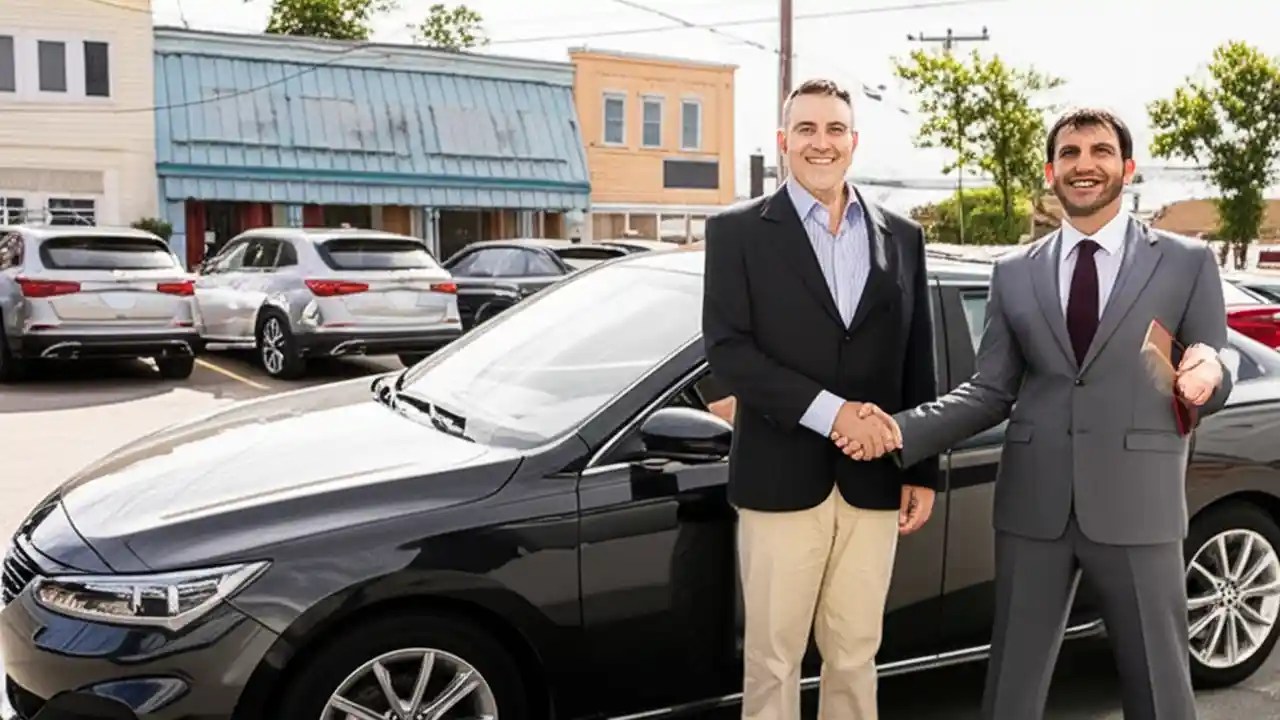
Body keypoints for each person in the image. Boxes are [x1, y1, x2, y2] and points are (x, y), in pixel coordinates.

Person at [837, 107, 1231, 720]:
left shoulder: (1185, 261)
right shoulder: (1014, 271)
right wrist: (897, 430)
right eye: (1070, 154)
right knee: (1012, 689)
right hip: (1033, 507)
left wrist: (1210, 372)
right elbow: (990, 390)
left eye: (1100, 151)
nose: (1084, 164)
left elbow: (1212, 350)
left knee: (1160, 687)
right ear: (1051, 171)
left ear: (1127, 168)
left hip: (1139, 504)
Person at [701, 77, 938, 720]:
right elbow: (729, 352)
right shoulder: (736, 232)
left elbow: (920, 356)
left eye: (834, 129)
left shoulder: (902, 236)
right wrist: (833, 413)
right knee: (774, 659)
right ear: (782, 141)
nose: (821, 142)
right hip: (779, 479)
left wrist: (920, 467)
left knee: (856, 653)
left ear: (854, 142)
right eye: (806, 129)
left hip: (874, 483)